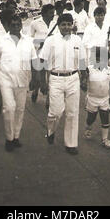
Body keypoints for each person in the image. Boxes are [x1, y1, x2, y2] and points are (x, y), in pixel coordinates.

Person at [40, 13, 87, 155]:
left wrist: (84, 77)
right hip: (56, 78)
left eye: (69, 24)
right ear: (59, 26)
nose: (66, 27)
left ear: (72, 25)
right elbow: (43, 61)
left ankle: (71, 144)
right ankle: (51, 130)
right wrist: (43, 82)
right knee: (55, 112)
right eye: (63, 24)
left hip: (73, 78)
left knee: (72, 113)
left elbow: (83, 61)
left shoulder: (77, 40)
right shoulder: (50, 41)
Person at [0, 15, 39, 152]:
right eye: (13, 24)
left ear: (21, 25)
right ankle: (9, 138)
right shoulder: (1, 40)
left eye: (18, 24)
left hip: (23, 79)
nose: (16, 27)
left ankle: (16, 136)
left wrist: (36, 79)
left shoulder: (28, 41)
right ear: (9, 25)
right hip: (5, 78)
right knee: (9, 108)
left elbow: (34, 61)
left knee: (20, 109)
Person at [83, 46, 110, 149]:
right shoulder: (89, 70)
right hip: (92, 99)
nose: (99, 60)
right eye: (96, 58)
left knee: (105, 118)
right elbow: (83, 81)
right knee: (91, 118)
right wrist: (83, 82)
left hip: (105, 99)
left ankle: (105, 139)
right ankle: (88, 126)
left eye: (102, 58)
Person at [29, 4, 56, 103]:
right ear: (44, 13)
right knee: (38, 75)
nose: (53, 15)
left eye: (53, 13)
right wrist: (38, 43)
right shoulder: (35, 23)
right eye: (50, 13)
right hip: (38, 53)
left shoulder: (55, 24)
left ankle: (49, 98)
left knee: (51, 76)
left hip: (52, 54)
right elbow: (30, 38)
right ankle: (36, 90)